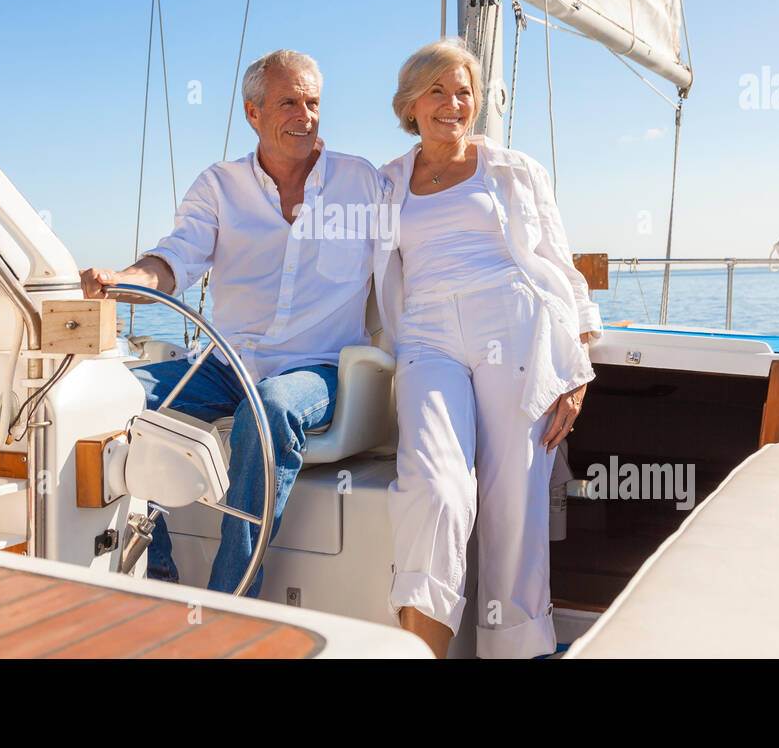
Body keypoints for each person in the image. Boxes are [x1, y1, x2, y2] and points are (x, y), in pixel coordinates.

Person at [82, 49, 378, 597]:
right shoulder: (219, 186)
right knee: (110, 395)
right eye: (289, 103)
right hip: (227, 366)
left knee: (268, 410)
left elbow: (418, 243)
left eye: (313, 102)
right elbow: (174, 260)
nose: (306, 116)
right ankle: (155, 576)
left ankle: (229, 600)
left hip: (319, 370)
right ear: (253, 112)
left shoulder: (360, 183)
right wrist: (123, 279)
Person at [373, 38, 602, 658]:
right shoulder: (385, 182)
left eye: (464, 92)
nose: (453, 104)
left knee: (515, 499)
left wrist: (577, 369)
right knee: (436, 487)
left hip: (514, 324)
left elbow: (559, 265)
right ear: (411, 104)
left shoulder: (515, 169)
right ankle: (420, 652)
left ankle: (520, 650)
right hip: (427, 334)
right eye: (437, 91)